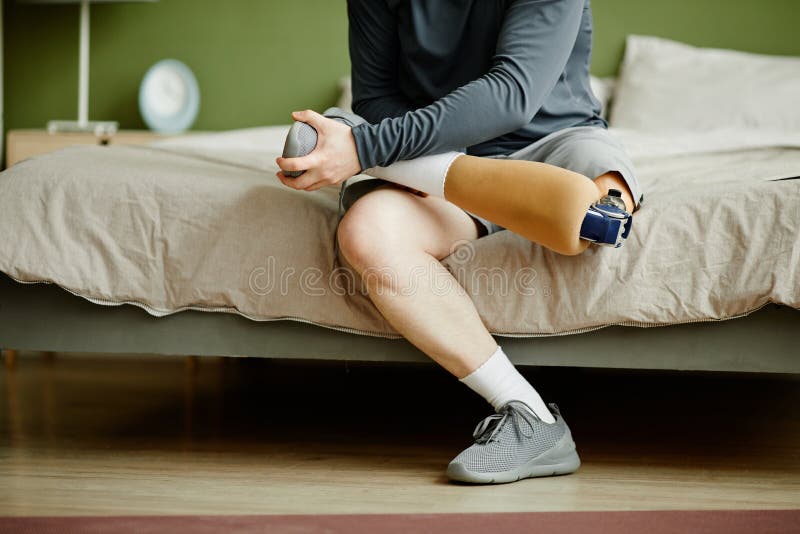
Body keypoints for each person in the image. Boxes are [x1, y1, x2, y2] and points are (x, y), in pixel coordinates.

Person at [276, 0, 643, 484]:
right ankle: (531, 416)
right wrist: (384, 148)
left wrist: (365, 148)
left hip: (556, 145)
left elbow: (513, 94)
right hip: (442, 157)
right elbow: (377, 98)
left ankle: (595, 209)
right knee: (367, 230)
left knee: (602, 196)